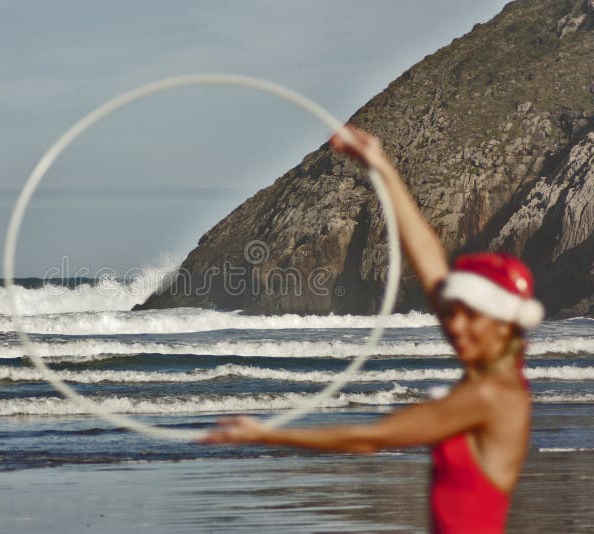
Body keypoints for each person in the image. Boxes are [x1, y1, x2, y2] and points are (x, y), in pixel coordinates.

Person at [201, 126, 545, 533]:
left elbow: (368, 440)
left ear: (505, 323)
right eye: (452, 313)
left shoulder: (489, 396)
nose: (455, 326)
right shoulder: (496, 364)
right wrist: (380, 167)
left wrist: (265, 435)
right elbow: (432, 267)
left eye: (470, 315)